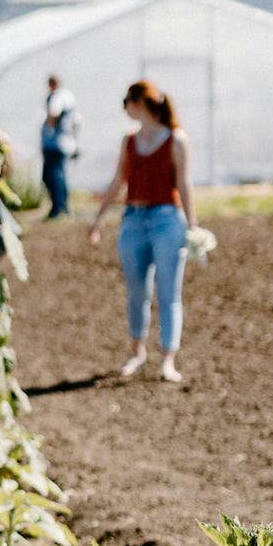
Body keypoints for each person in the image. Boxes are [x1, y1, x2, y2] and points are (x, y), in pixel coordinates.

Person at [88, 79, 198, 383]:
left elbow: (184, 185)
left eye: (127, 101)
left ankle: (168, 359)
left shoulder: (176, 140)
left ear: (141, 103)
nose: (125, 107)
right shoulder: (129, 141)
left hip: (166, 220)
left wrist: (193, 225)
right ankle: (137, 352)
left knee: (168, 291)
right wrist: (98, 219)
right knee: (136, 290)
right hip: (133, 220)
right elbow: (117, 182)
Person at [41, 75, 77, 219]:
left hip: (55, 142)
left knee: (52, 175)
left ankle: (58, 207)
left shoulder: (57, 97)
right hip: (64, 141)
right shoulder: (68, 95)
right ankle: (62, 206)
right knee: (59, 175)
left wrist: (48, 129)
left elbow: (54, 113)